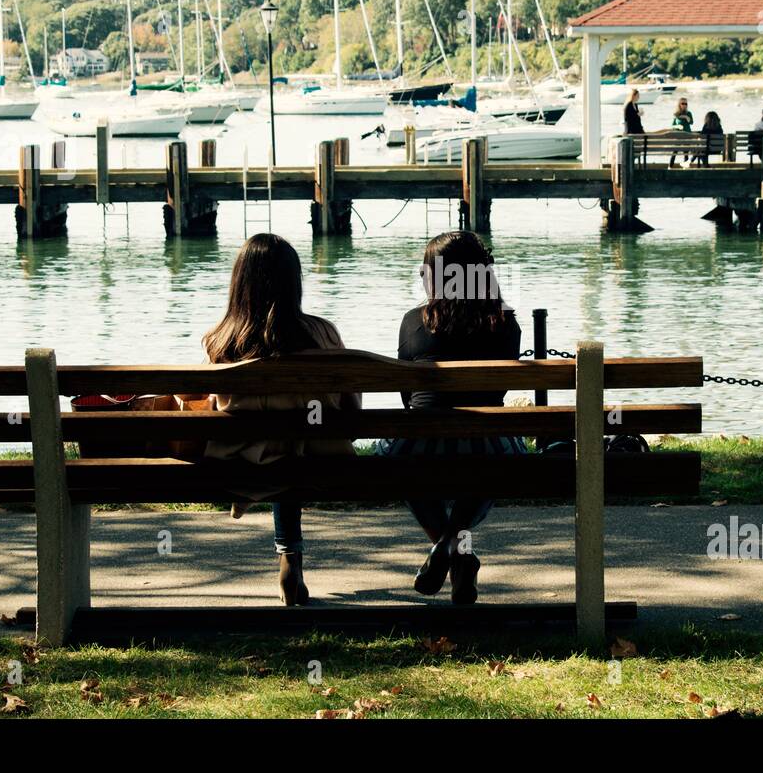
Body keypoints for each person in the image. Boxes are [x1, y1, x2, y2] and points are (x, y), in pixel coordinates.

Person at [202, 234, 360, 607]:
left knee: (277, 448)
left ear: (239, 282)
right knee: (293, 446)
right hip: (318, 455)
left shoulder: (219, 340)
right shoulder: (323, 333)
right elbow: (350, 409)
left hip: (243, 460)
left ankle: (289, 554)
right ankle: (290, 558)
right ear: (294, 281)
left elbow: (214, 413)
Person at [377, 231, 525, 605]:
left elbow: (409, 398)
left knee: (396, 457)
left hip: (420, 445)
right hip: (487, 445)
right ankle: (454, 551)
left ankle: (448, 547)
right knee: (493, 452)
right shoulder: (505, 324)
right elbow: (498, 394)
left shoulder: (413, 322)